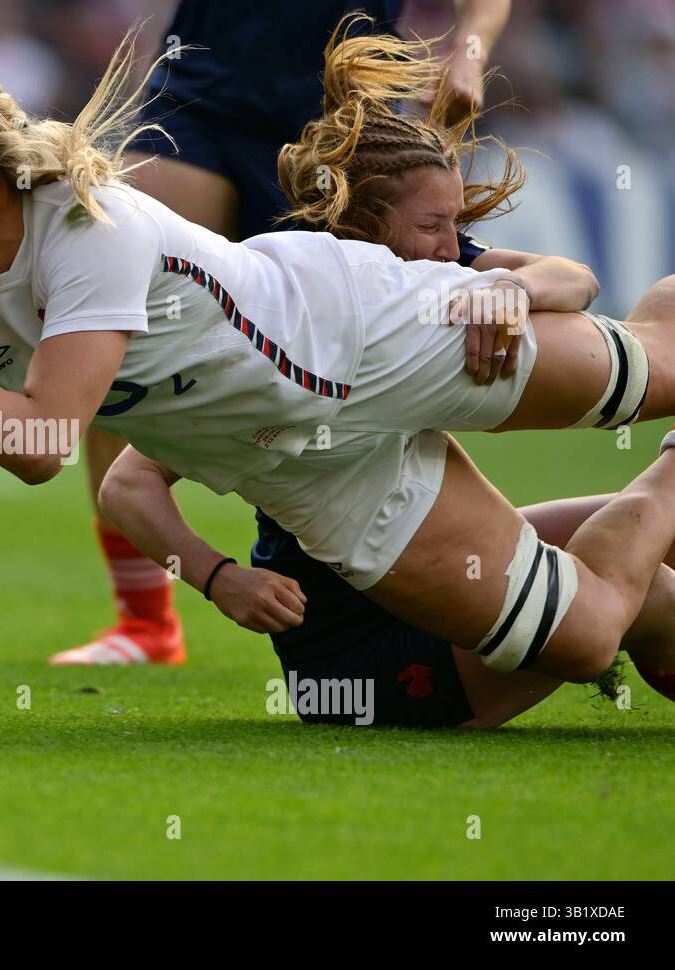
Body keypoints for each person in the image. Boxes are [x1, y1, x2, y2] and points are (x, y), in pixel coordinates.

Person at [0, 29, 675, 728]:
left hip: (358, 332)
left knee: (661, 369)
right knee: (589, 634)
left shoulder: (86, 224)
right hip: (305, 472)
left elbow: (47, 445)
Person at [56, 0, 514, 666]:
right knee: (119, 333)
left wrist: (469, 50)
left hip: (345, 115)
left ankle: (408, 570)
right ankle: (146, 619)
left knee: (358, 344)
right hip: (201, 92)